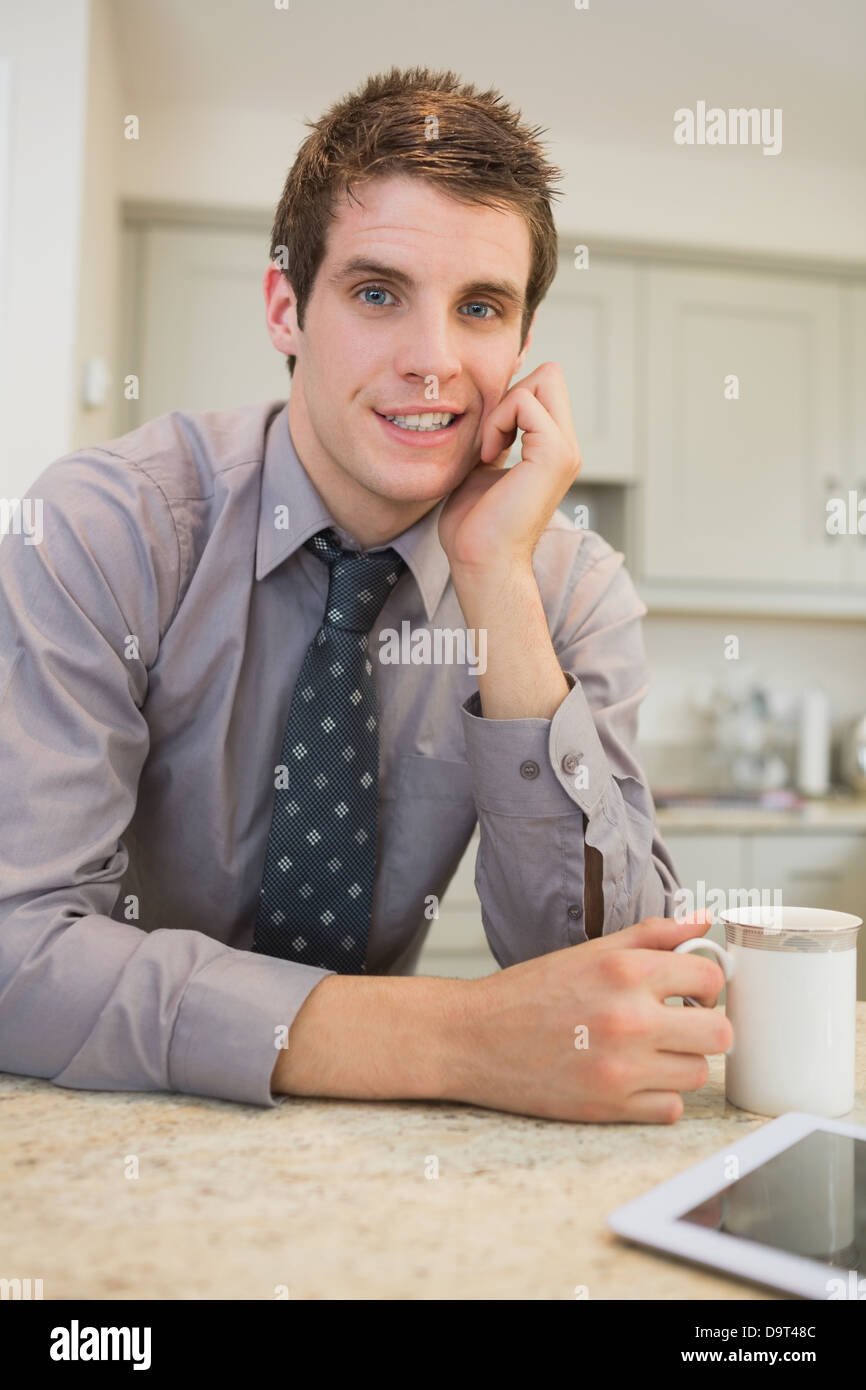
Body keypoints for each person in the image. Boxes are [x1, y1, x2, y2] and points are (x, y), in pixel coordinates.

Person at [0, 67, 730, 1125]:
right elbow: (17, 948)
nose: (432, 362)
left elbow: (600, 994)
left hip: (378, 1160)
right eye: (377, 293)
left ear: (520, 351)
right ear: (284, 306)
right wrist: (458, 1037)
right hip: (112, 1120)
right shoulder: (104, 530)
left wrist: (495, 583)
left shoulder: (567, 589)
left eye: (479, 308)